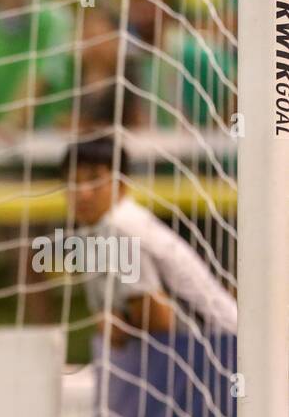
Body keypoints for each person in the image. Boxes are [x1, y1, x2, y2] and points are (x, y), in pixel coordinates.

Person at [63, 137, 234, 338]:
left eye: (95, 180)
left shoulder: (121, 227)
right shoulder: (93, 230)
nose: (84, 193)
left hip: (220, 347)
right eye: (74, 182)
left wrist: (121, 325)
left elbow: (159, 320)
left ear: (121, 185)